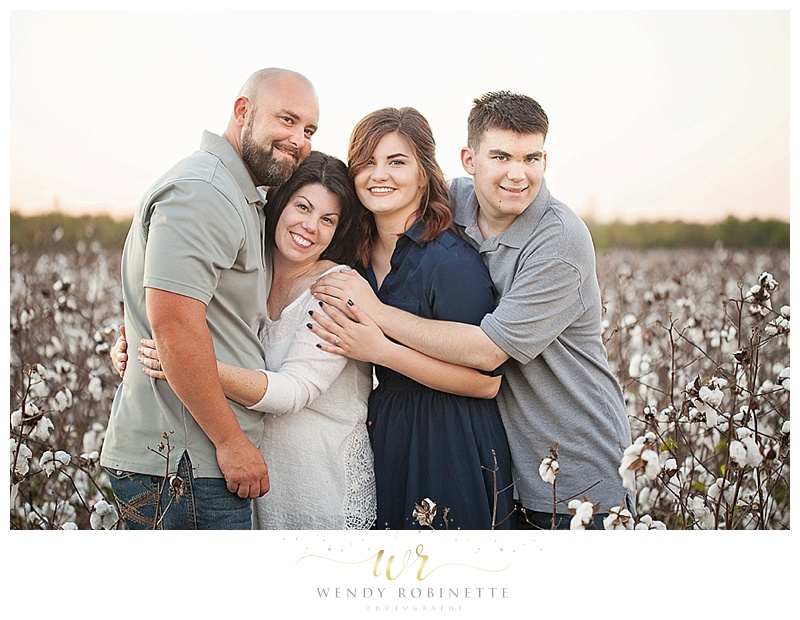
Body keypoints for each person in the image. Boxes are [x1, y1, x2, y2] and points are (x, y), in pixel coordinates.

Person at [311, 92, 633, 530]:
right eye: (500, 156)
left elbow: (487, 354)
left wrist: (376, 317)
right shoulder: (455, 203)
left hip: (571, 469)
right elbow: (387, 191)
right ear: (469, 160)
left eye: (531, 158)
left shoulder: (560, 241)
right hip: (501, 459)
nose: (516, 175)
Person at [100, 68, 320, 530]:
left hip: (193, 461)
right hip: (185, 463)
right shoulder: (206, 191)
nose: (298, 139)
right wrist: (230, 442)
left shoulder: (240, 194)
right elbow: (174, 326)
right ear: (243, 112)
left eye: (309, 130)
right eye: (287, 120)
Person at [115, 152, 377, 530]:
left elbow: (293, 391)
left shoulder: (334, 290)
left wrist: (186, 364)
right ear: (280, 203)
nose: (310, 226)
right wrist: (130, 346)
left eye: (327, 220)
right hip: (252, 480)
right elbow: (181, 312)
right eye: (301, 207)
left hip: (322, 484)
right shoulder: (252, 270)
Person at [309, 107, 515, 530]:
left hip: (452, 436)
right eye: (367, 162)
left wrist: (379, 349)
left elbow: (486, 382)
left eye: (396, 162)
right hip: (388, 429)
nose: (378, 174)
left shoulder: (449, 260)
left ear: (424, 173)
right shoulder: (354, 258)